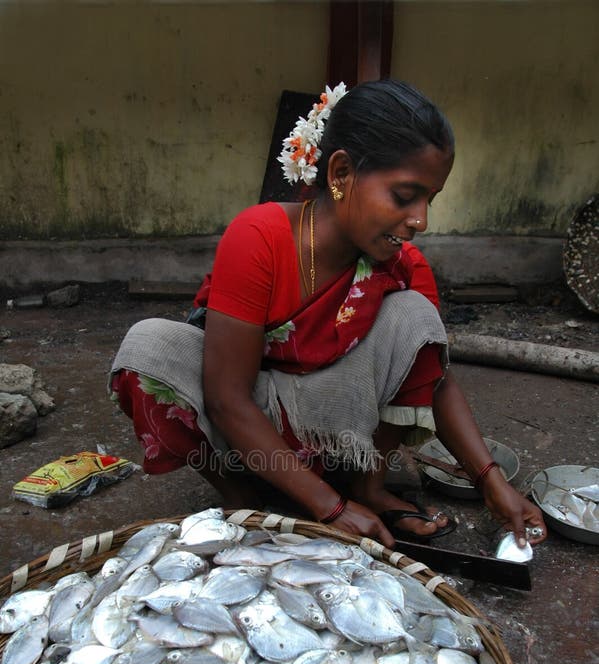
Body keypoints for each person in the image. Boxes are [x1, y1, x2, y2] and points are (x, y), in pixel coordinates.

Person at [110, 79, 546, 550]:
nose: (421, 219)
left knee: (417, 319)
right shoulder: (259, 237)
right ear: (340, 173)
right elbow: (226, 399)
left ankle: (367, 489)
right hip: (251, 428)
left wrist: (490, 481)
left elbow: (437, 381)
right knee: (149, 348)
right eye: (405, 196)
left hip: (332, 431)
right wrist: (328, 509)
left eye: (430, 200)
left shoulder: (402, 264)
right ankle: (249, 505)